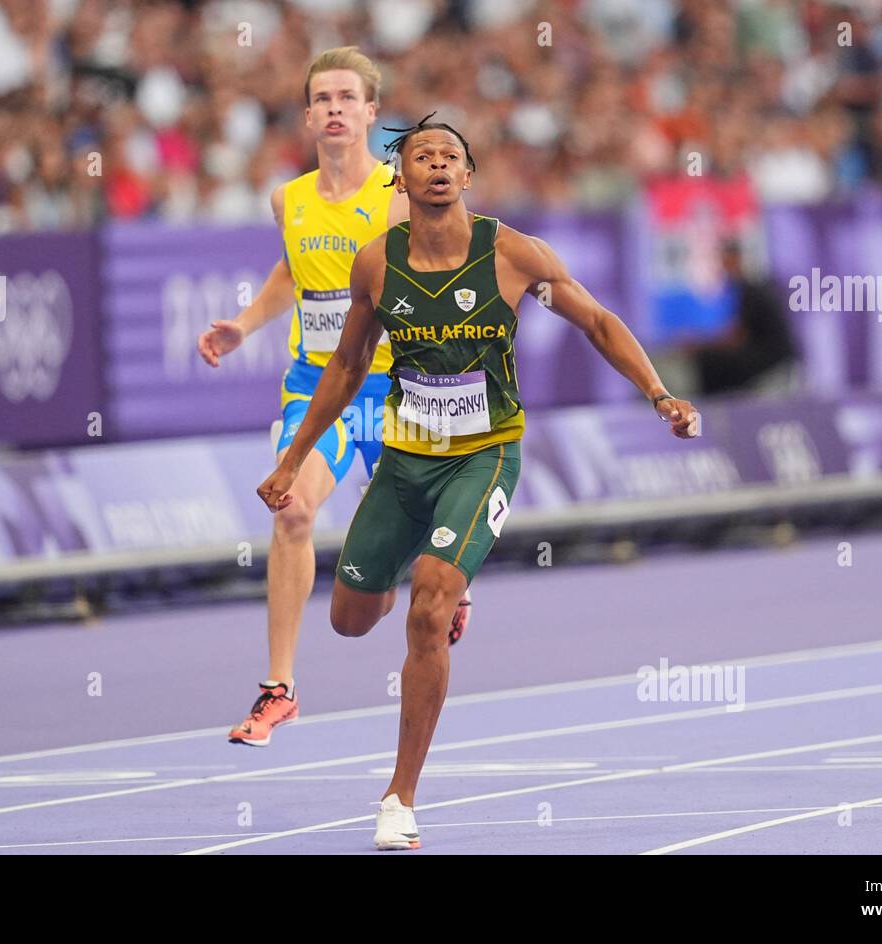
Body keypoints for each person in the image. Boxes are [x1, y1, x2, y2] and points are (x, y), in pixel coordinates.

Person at [256, 114, 701, 850]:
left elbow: (596, 322)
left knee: (427, 607)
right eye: (421, 155)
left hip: (483, 455)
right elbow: (343, 368)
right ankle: (435, 569)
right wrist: (290, 459)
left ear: (467, 177)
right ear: (401, 180)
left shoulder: (513, 255)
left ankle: (399, 797)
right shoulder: (376, 263)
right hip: (403, 462)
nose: (435, 164)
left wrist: (660, 395)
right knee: (349, 619)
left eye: (449, 156)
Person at [196, 49, 470, 750]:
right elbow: (292, 271)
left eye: (349, 96)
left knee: (365, 606)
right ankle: (277, 689)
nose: (336, 108)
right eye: (323, 98)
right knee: (291, 511)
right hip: (320, 389)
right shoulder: (288, 198)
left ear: (372, 113)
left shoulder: (399, 194)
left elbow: (449, 268)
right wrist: (242, 325)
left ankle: (432, 571)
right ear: (309, 114)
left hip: (402, 391)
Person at [687, 240, 799, 395]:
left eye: (728, 261)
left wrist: (702, 345)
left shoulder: (751, 291)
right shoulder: (740, 289)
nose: (725, 267)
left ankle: (717, 408)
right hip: (765, 353)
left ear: (737, 259)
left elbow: (738, 338)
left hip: (772, 358)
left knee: (709, 362)